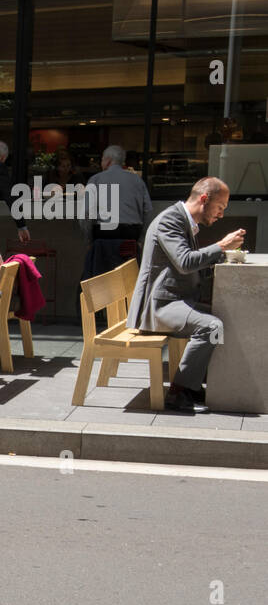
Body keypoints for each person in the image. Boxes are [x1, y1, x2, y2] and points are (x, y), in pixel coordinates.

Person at [127, 177, 243, 413]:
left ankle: (194, 383)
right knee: (211, 326)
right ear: (204, 199)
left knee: (225, 319)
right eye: (220, 208)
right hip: (158, 307)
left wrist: (222, 255)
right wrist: (221, 246)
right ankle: (179, 392)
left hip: (173, 300)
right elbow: (185, 262)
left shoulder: (182, 220)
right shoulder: (170, 220)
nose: (221, 215)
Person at [85, 144, 152, 243]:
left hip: (104, 235)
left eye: (102, 160)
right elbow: (148, 211)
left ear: (108, 160)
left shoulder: (95, 180)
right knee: (131, 258)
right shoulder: (137, 180)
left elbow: (86, 213)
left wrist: (90, 239)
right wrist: (141, 238)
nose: (101, 163)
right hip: (131, 234)